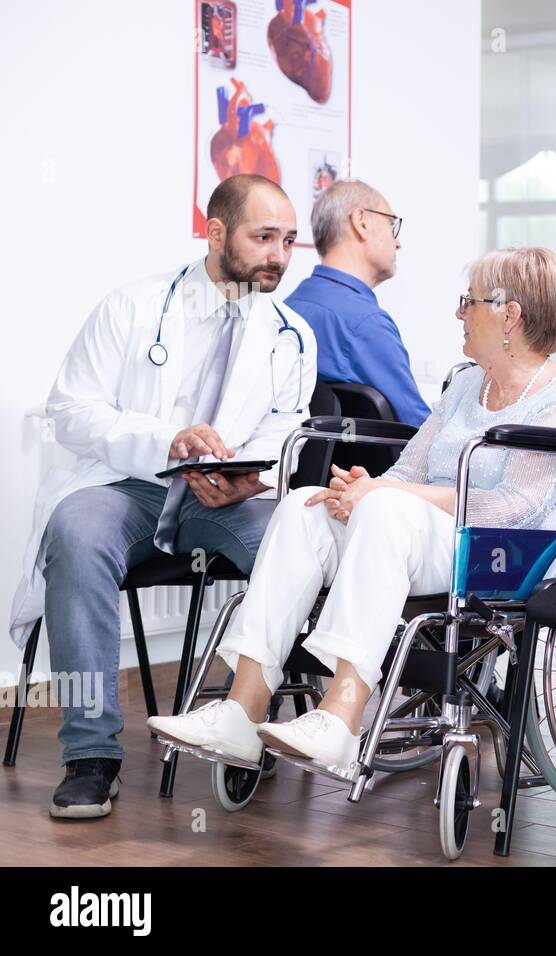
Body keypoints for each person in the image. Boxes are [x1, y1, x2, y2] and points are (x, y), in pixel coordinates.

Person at [147, 247, 556, 774]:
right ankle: (241, 710)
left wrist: (386, 498)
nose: (459, 313)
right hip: (427, 535)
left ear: (511, 314)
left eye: (469, 302)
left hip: (509, 553)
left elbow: (507, 507)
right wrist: (363, 488)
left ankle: (343, 716)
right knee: (302, 506)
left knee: (385, 511)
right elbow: (408, 472)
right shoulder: (465, 388)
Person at [9, 173, 318, 819]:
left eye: (289, 241)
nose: (279, 256)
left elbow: (285, 428)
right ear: (215, 233)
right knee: (77, 533)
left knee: (295, 542)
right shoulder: (132, 306)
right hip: (129, 484)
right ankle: (91, 755)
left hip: (225, 498)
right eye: (264, 238)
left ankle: (243, 717)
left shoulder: (291, 333)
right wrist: (167, 441)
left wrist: (249, 476)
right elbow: (71, 410)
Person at [285, 178, 431, 427]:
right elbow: (420, 431)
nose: (398, 242)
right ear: (361, 222)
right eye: (391, 225)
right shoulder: (365, 324)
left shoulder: (289, 309)